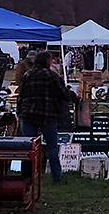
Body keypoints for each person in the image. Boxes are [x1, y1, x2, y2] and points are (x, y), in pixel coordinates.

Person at [17, 50, 75, 182]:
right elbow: (64, 94)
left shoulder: (27, 75)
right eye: (51, 60)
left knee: (28, 147)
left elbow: (21, 95)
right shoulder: (52, 76)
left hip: (29, 115)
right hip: (47, 115)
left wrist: (20, 112)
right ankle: (56, 176)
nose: (53, 62)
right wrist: (74, 97)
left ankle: (26, 176)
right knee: (52, 147)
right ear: (47, 62)